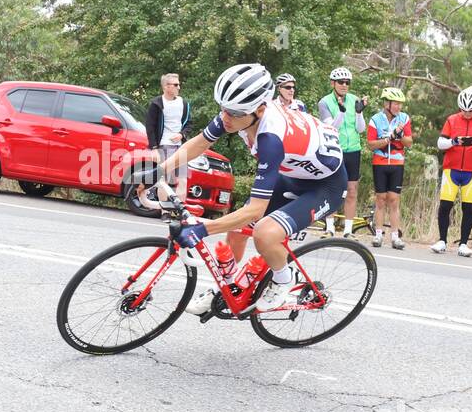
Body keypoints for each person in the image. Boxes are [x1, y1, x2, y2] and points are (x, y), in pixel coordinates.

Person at [159, 63, 347, 317]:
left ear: (259, 109)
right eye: (223, 109)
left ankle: (283, 277)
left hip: (326, 185)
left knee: (264, 232)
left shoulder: (271, 138)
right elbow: (200, 142)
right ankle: (228, 289)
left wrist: (202, 230)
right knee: (237, 232)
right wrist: (160, 169)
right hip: (293, 174)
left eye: (233, 113)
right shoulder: (238, 112)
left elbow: (255, 210)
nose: (225, 118)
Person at [431, 86, 472, 257]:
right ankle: (442, 241)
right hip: (451, 169)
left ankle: (463, 244)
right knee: (445, 205)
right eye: (464, 110)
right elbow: (440, 143)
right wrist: (454, 141)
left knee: (468, 208)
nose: (467, 113)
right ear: (460, 107)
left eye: (471, 111)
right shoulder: (452, 120)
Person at [317, 66, 366, 236]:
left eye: (347, 82)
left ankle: (348, 230)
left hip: (353, 150)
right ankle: (330, 228)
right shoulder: (324, 102)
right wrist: (342, 111)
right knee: (332, 188)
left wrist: (359, 113)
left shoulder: (354, 99)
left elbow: (361, 129)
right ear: (333, 83)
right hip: (334, 149)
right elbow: (332, 128)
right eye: (340, 82)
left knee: (351, 190)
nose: (344, 85)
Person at [365, 86, 412, 250]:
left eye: (400, 104)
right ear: (387, 104)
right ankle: (378, 235)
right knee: (380, 199)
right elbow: (371, 144)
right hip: (380, 163)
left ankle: (395, 237)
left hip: (397, 163)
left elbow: (409, 143)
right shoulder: (375, 119)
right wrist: (389, 138)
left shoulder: (404, 118)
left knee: (394, 200)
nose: (398, 107)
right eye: (395, 103)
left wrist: (401, 136)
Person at [138, 72, 192, 205]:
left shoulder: (184, 104)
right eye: (175, 84)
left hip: (180, 147)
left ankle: (180, 211)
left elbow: (189, 124)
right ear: (166, 87)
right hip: (163, 146)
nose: (178, 87)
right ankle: (165, 210)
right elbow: (150, 127)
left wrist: (182, 134)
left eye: (178, 84)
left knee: (183, 179)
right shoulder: (156, 104)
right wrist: (154, 148)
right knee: (164, 179)